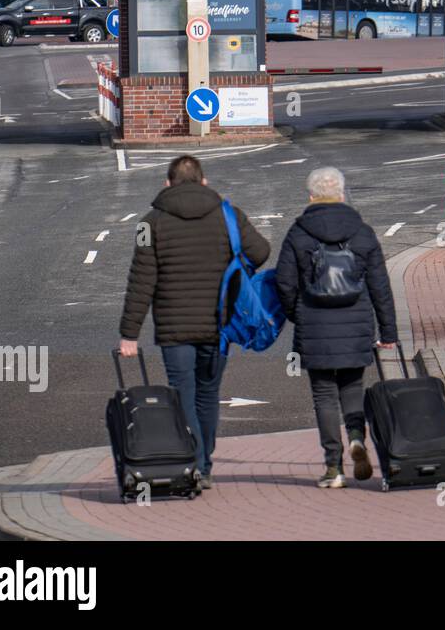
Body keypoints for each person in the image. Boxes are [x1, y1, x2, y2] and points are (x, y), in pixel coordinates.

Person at [118, 155, 270, 489]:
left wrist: (129, 334)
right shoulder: (229, 215)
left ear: (167, 183)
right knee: (208, 394)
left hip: (174, 329)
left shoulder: (149, 223)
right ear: (204, 181)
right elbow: (261, 251)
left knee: (182, 394)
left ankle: (194, 462)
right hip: (219, 324)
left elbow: (141, 280)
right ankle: (206, 462)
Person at [275, 167, 398, 488]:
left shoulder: (298, 233)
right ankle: (357, 436)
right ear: (342, 194)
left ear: (311, 196)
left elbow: (285, 282)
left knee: (324, 396)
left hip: (314, 324)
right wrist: (388, 332)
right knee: (352, 388)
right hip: (355, 323)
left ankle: (333, 466)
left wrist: (297, 313)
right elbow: (380, 285)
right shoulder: (361, 231)